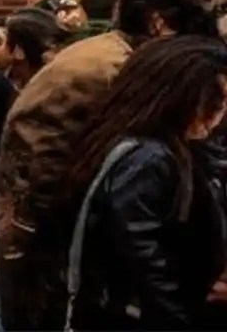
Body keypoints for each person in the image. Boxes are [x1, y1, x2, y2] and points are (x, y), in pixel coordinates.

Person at [0, 0, 217, 330]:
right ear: (158, 24)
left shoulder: (106, 51)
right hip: (45, 224)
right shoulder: (119, 68)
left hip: (39, 218)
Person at [61, 36, 227, 329]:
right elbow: (142, 258)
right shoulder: (148, 158)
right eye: (214, 101)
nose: (219, 112)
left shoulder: (172, 148)